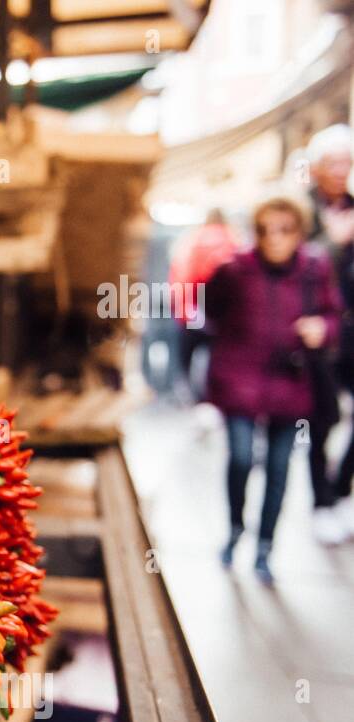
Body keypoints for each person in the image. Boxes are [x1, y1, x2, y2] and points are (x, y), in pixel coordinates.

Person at [204, 195, 341, 584]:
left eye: (284, 230)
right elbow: (209, 311)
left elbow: (334, 316)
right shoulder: (235, 270)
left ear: (299, 232)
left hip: (290, 383)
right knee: (241, 458)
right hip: (239, 380)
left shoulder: (315, 269)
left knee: (280, 468)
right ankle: (234, 529)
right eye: (265, 230)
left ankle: (265, 545)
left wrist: (322, 330)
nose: (275, 239)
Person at [305, 124, 354, 544]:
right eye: (333, 162)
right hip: (318, 334)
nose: (341, 170)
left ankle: (341, 489)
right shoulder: (300, 214)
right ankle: (321, 500)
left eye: (346, 162)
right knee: (322, 419)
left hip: (350, 328)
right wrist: (336, 243)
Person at [168, 209, 238, 401]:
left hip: (191, 314)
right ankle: (217, 398)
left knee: (186, 360)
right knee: (220, 359)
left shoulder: (189, 242)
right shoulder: (234, 241)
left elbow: (180, 280)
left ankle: (191, 398)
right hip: (224, 318)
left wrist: (183, 312)